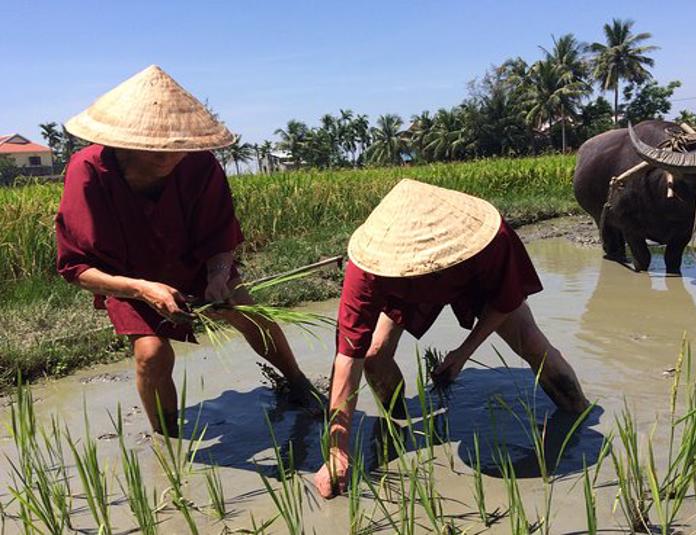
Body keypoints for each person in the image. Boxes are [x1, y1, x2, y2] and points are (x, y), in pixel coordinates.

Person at [55, 65, 322, 436]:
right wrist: (143, 289)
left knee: (250, 314)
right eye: (155, 151)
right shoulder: (88, 172)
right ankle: (168, 437)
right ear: (124, 143)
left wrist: (216, 276)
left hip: (192, 259)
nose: (168, 158)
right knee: (152, 354)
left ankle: (297, 382)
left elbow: (219, 234)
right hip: (125, 276)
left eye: (176, 149)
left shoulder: (199, 162)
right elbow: (78, 269)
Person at [313, 179, 590, 498]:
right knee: (375, 354)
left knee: (531, 342)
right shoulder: (369, 270)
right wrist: (336, 450)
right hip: (404, 286)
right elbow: (349, 355)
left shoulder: (490, 239)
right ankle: (397, 420)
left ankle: (579, 415)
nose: (426, 264)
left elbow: (504, 302)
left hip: (470, 274)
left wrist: (463, 352)